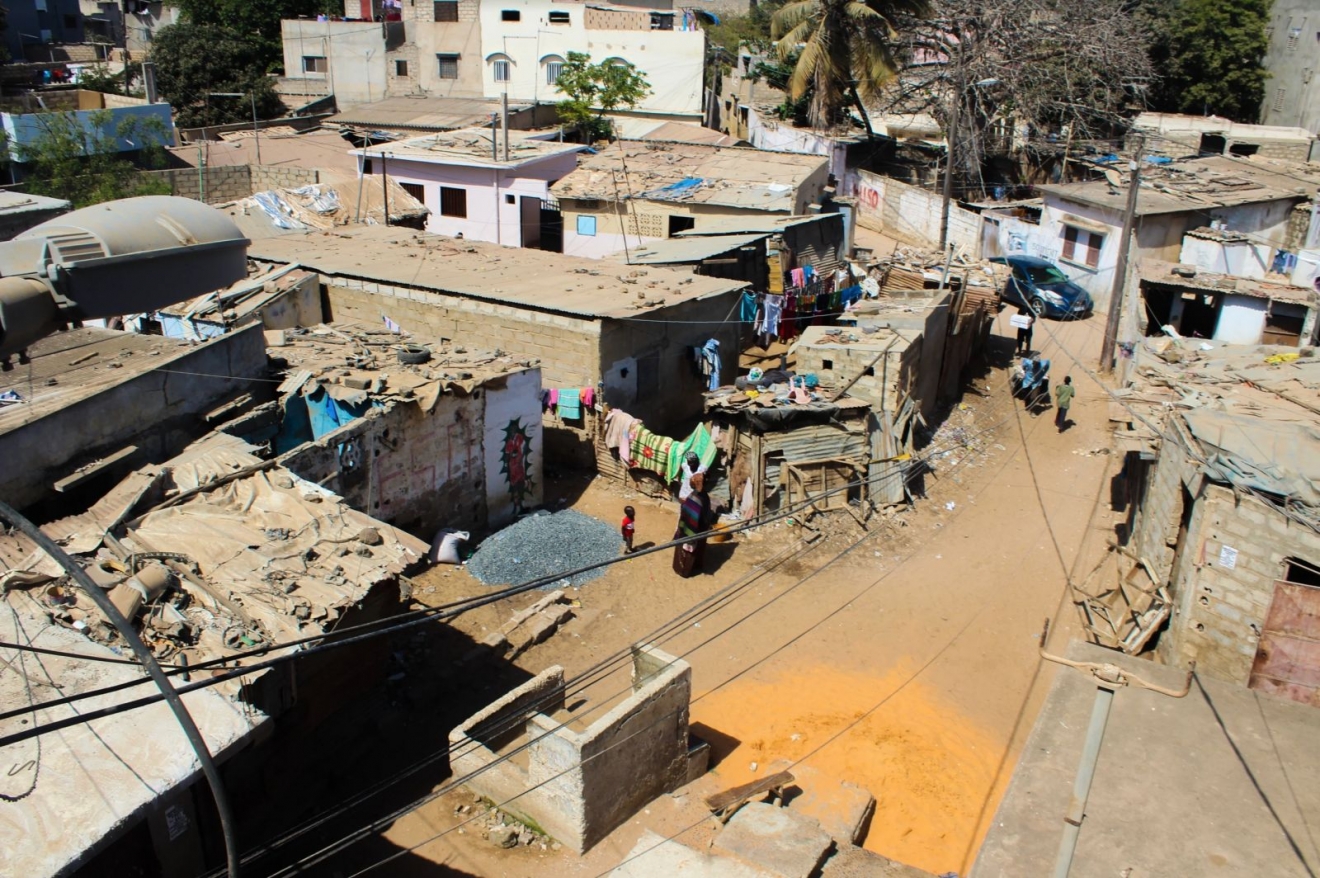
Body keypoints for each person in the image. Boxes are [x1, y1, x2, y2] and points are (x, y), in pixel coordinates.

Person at [673, 473, 713, 578]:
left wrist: (688, 536)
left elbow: (689, 519)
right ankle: (696, 566)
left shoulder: (694, 499)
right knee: (698, 547)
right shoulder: (704, 496)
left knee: (687, 550)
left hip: (691, 530)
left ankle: (683, 571)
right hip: (701, 528)